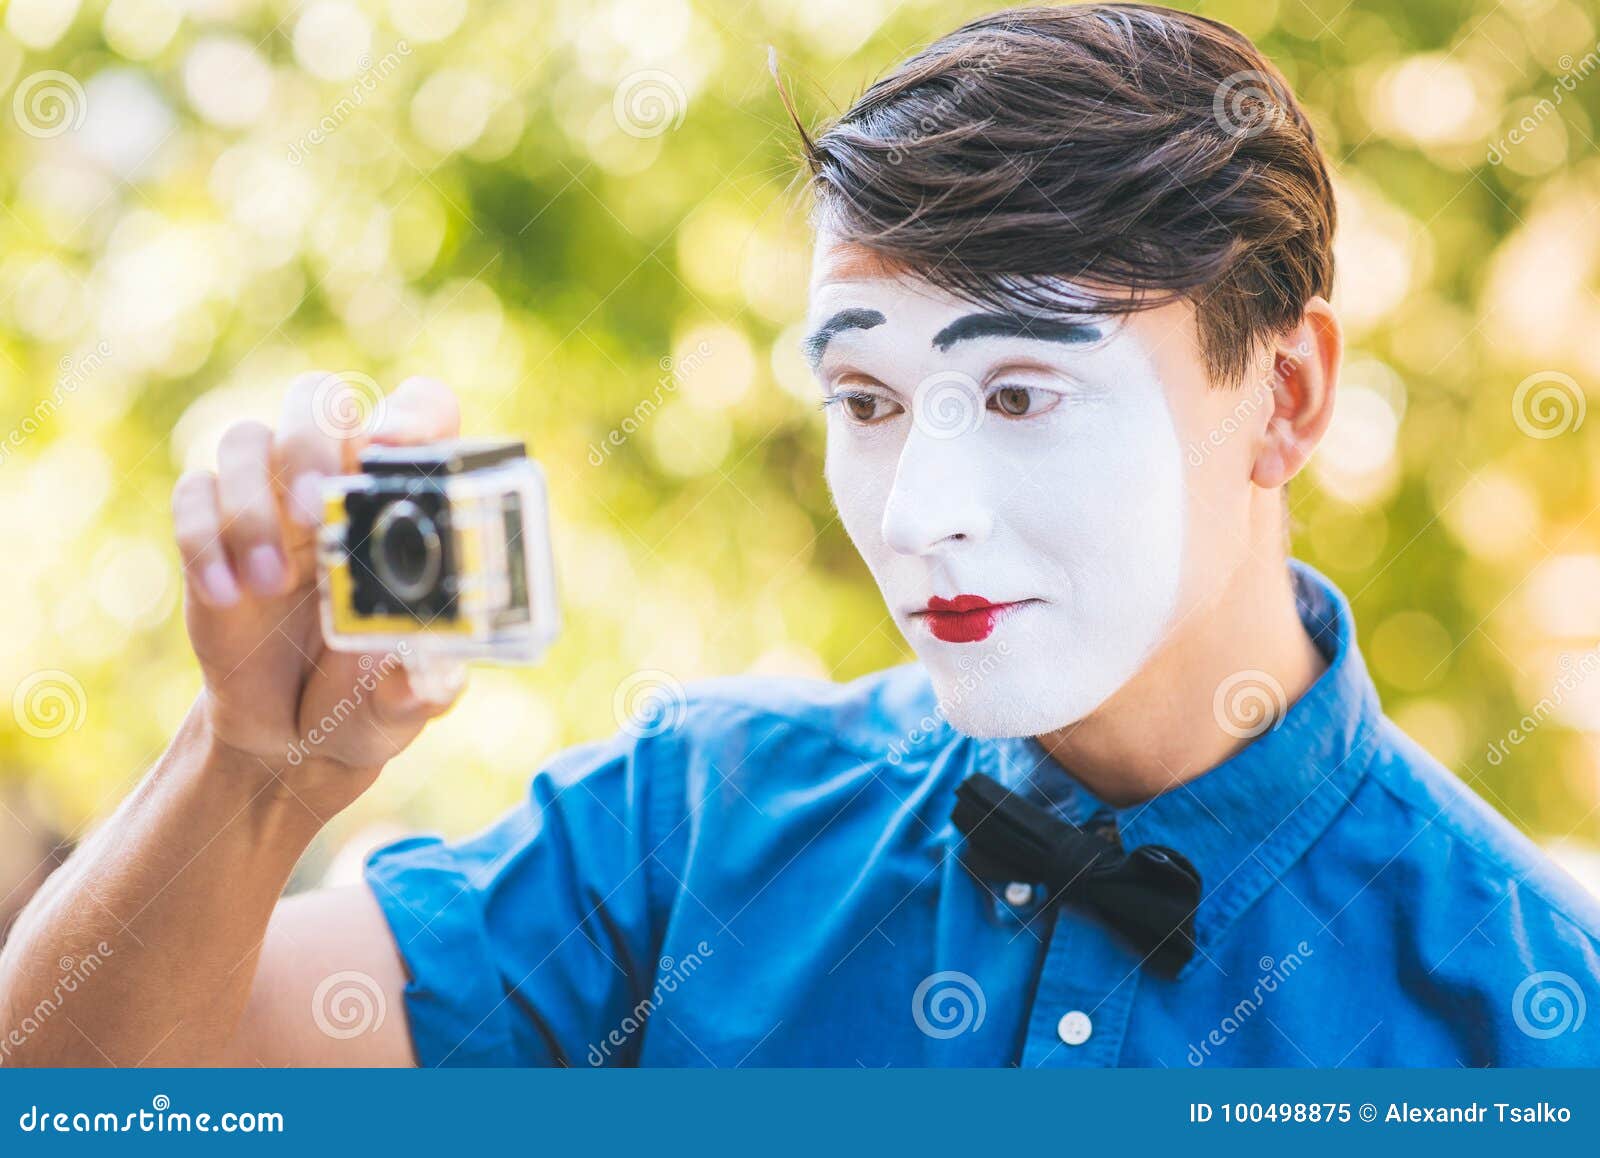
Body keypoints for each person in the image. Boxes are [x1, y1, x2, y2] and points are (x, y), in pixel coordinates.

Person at [3, 2, 1597, 1069]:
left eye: (1025, 394)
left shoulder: (1541, 1019)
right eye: (868, 398)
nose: (919, 512)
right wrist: (255, 772)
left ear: (1288, 390)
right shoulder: (688, 825)